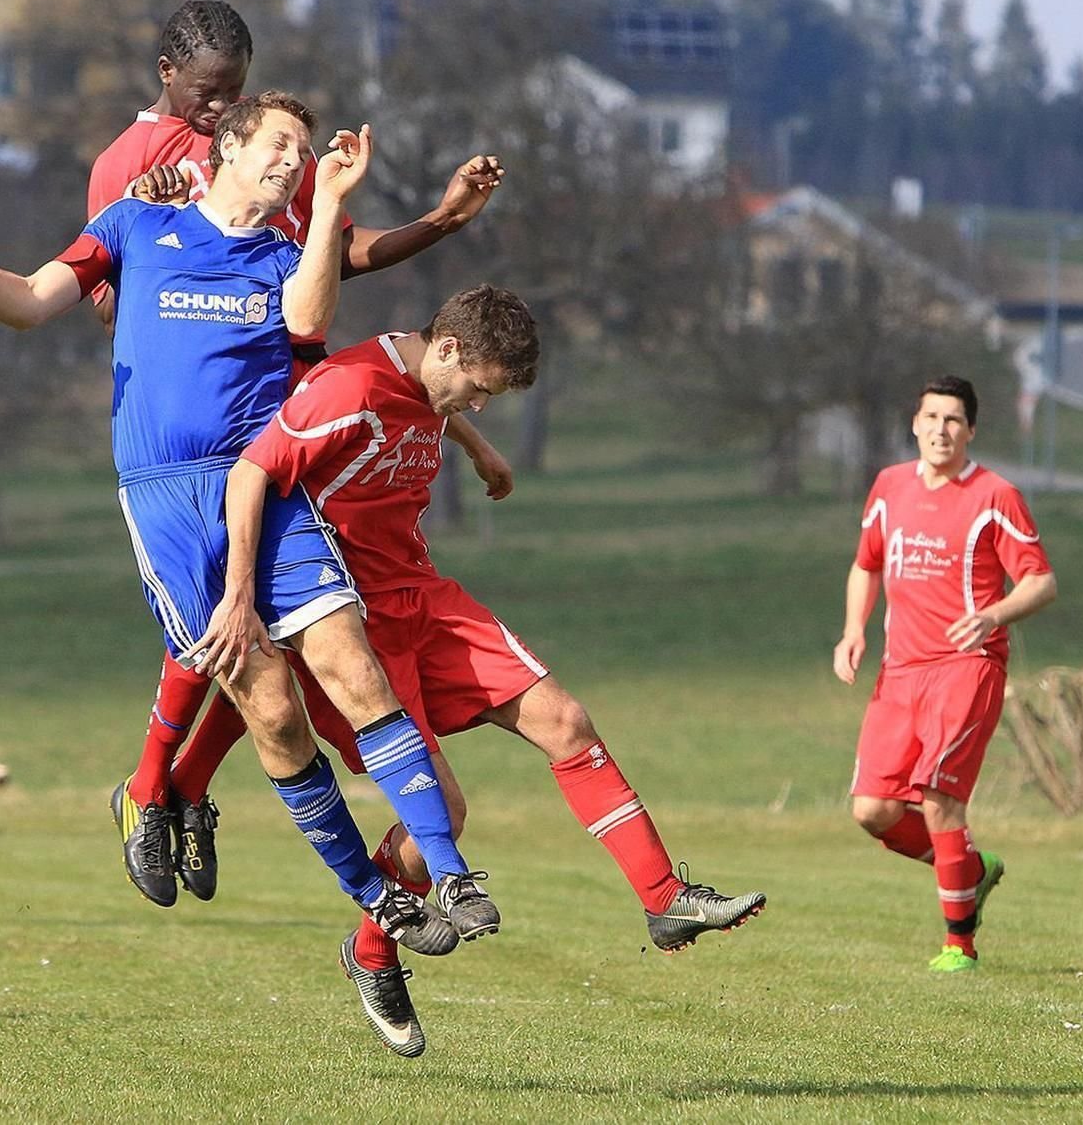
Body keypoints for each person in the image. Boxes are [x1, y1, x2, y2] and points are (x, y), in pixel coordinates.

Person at [0, 91, 498, 956]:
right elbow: (34, 300)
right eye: (279, 143)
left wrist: (334, 198)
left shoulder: (285, 255)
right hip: (168, 501)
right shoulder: (133, 226)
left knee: (351, 664)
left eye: (302, 152)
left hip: (268, 485)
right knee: (272, 712)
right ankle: (377, 897)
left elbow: (307, 322)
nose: (291, 160)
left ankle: (449, 871)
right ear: (227, 146)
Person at [195, 286, 766, 1057]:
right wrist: (239, 595)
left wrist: (473, 443)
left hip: (425, 597)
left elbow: (425, 395)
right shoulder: (347, 389)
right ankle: (371, 950)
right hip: (352, 628)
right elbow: (254, 471)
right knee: (446, 816)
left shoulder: (429, 368)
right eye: (481, 391)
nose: (482, 403)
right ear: (452, 352)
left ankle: (666, 899)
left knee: (566, 720)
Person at [89, 0, 511, 908]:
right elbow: (106, 284)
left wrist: (440, 221)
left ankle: (184, 791)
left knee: (303, 647)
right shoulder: (133, 167)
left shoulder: (277, 165)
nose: (217, 112)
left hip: (290, 419)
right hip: (192, 442)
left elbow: (343, 265)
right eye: (208, 97)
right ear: (167, 74)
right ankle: (153, 790)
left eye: (232, 96)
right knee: (233, 642)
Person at [833, 374, 1057, 974]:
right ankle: (971, 871)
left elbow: (1041, 581)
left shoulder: (995, 495)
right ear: (914, 424)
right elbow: (866, 564)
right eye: (931, 418)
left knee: (937, 799)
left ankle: (960, 945)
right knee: (872, 811)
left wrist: (994, 615)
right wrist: (854, 629)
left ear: (971, 431)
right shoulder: (888, 486)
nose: (941, 430)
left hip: (967, 667)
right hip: (900, 672)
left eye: (953, 420)